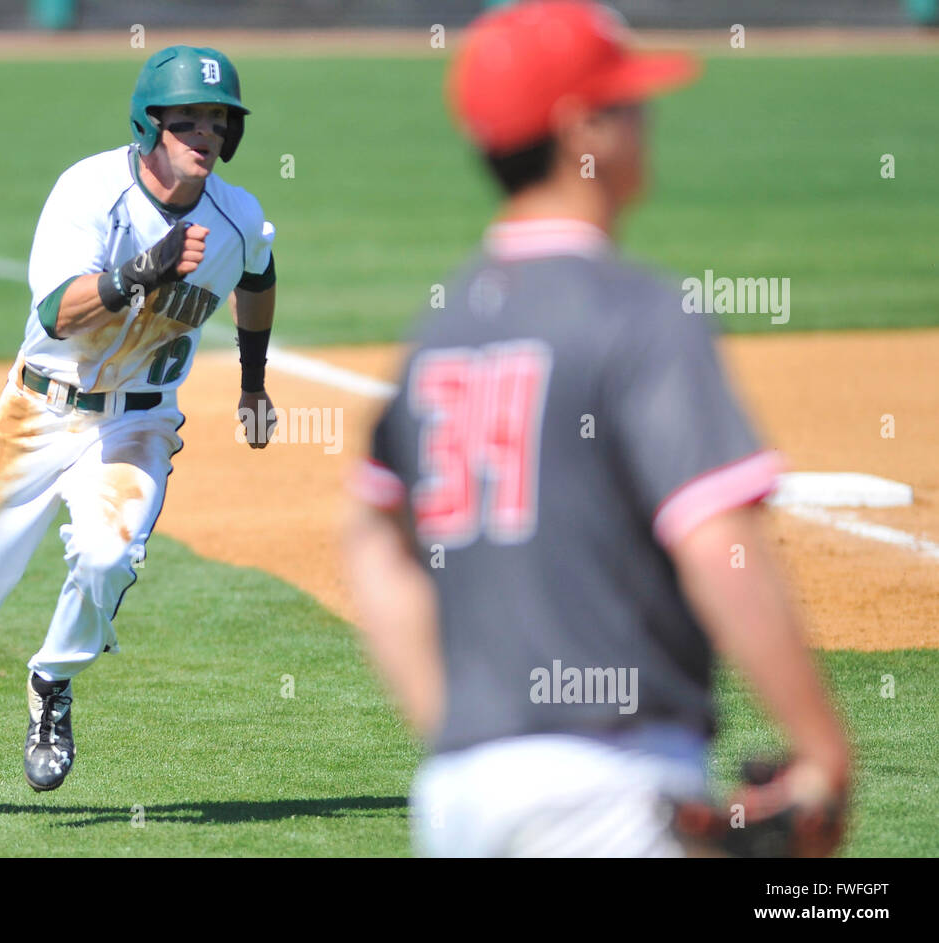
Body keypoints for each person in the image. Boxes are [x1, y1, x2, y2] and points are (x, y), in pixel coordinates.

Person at [346, 1, 850, 856]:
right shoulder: (641, 314)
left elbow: (368, 540)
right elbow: (715, 540)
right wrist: (822, 749)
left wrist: (462, 724)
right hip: (611, 790)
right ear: (584, 127)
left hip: (462, 799)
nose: (647, 122)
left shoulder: (442, 328)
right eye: (628, 103)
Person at [0, 45, 278, 817]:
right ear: (150, 125)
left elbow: (260, 277)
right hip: (39, 413)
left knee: (106, 555)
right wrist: (142, 272)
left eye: (217, 122)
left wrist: (253, 382)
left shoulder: (237, 218)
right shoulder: (89, 192)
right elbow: (54, 312)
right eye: (185, 122)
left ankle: (52, 677)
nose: (203, 135)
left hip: (136, 428)